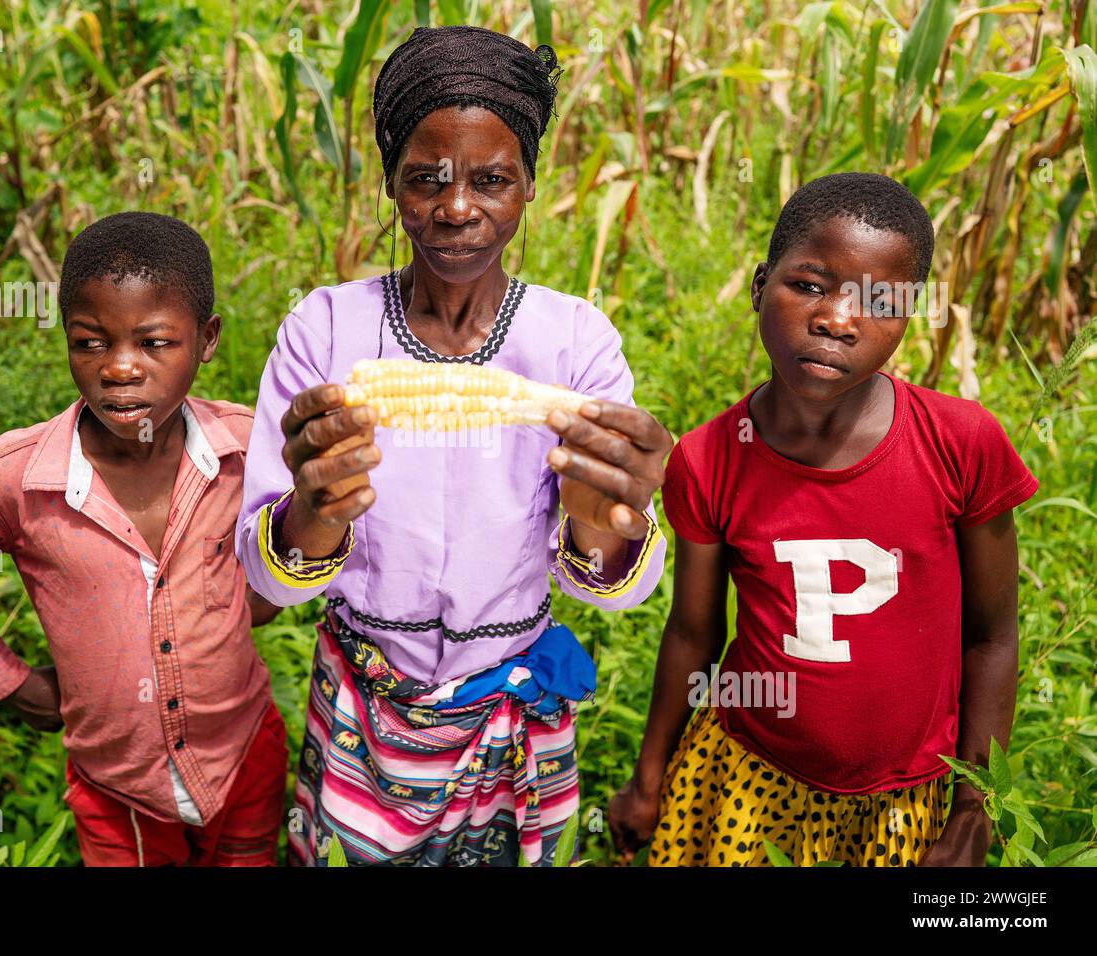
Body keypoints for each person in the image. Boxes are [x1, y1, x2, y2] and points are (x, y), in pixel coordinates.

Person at [236, 25, 672, 866]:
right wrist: (315, 513)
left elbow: (621, 590)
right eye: (425, 178)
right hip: (365, 703)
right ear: (393, 185)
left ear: (530, 186)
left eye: (491, 180)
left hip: (510, 715)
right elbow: (266, 581)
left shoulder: (575, 342)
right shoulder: (327, 329)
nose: (457, 206)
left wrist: (603, 518)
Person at [609, 172, 1039, 866]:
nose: (837, 319)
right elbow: (694, 632)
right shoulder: (709, 458)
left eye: (878, 300)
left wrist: (975, 806)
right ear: (758, 287)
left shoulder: (962, 442)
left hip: (908, 799)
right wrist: (648, 777)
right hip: (747, 775)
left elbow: (992, 638)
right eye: (808, 285)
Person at [0, 212, 287, 866]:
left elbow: (294, 555)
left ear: (206, 339)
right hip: (118, 787)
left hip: (243, 760)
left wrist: (252, 597)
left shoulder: (250, 451)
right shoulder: (10, 480)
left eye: (154, 343)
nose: (120, 369)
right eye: (91, 342)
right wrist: (5, 678)